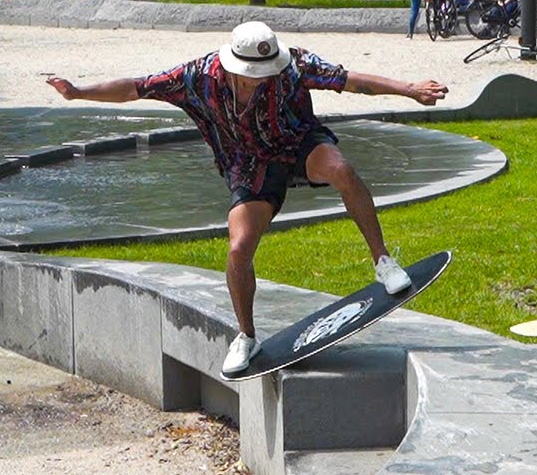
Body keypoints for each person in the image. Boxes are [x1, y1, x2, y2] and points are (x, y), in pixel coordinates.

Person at [45, 22, 447, 373]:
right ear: (234, 66)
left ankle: (383, 261)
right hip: (249, 163)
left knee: (342, 170)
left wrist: (410, 89)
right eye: (253, 74)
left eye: (266, 71)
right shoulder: (198, 76)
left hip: (299, 144)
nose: (262, 79)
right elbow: (136, 87)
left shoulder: (293, 65)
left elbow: (352, 80)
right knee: (238, 249)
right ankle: (247, 336)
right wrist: (78, 92)